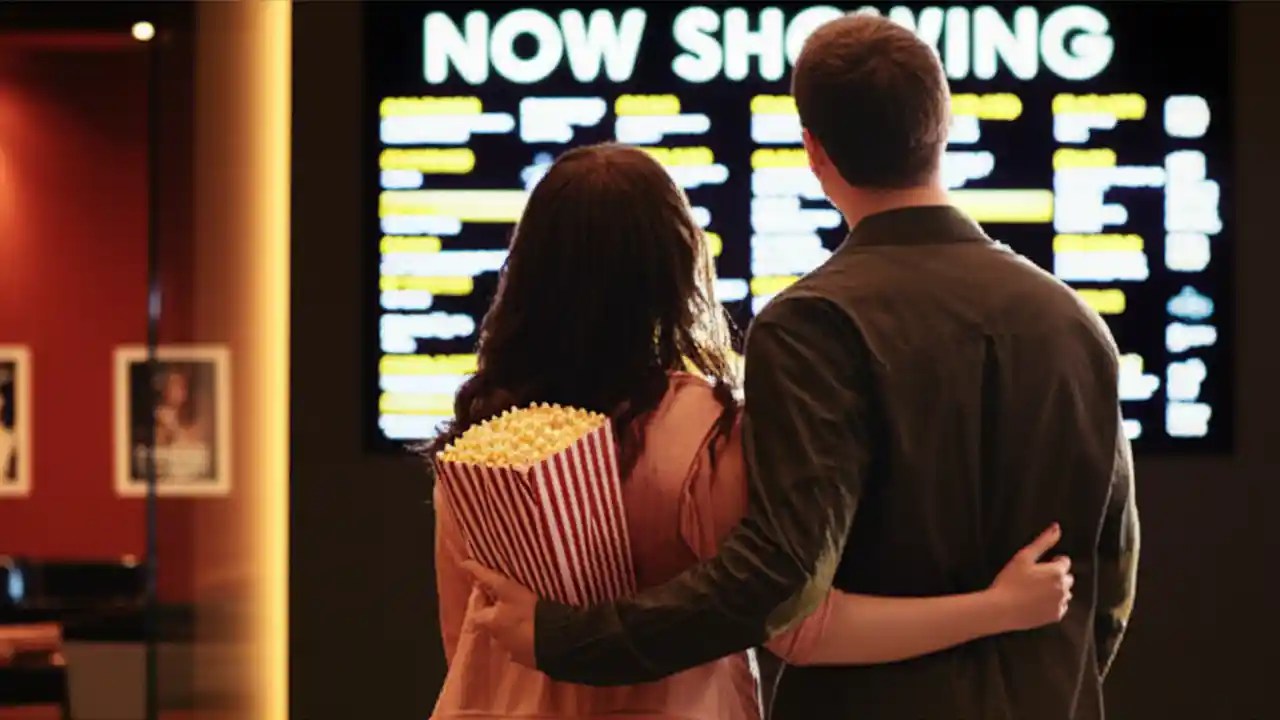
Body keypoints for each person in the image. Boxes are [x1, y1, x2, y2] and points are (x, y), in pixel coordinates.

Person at [466, 13, 1140, 720]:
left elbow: (778, 578)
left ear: (814, 152)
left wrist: (568, 638)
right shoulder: (1076, 325)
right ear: (944, 128)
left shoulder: (811, 324)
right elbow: (1108, 576)